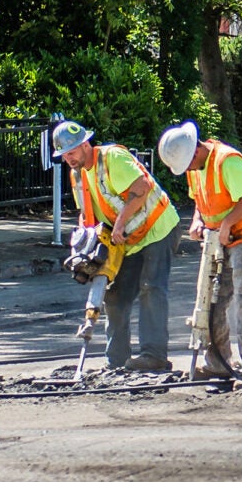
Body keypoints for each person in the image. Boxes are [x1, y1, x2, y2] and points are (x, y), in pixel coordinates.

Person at [53, 120, 179, 372]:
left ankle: (153, 356)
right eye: (65, 154)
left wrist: (120, 224)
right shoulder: (77, 174)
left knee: (151, 288)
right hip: (126, 241)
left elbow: (141, 188)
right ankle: (117, 360)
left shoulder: (112, 158)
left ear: (86, 144)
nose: (70, 157)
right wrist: (85, 245)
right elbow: (88, 214)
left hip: (157, 230)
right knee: (115, 296)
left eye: (73, 151)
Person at [157, 121, 242, 389]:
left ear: (195, 151)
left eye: (187, 165)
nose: (186, 170)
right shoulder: (194, 168)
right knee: (212, 302)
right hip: (220, 239)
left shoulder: (226, 162)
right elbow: (201, 200)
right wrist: (198, 220)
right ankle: (218, 364)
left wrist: (227, 224)